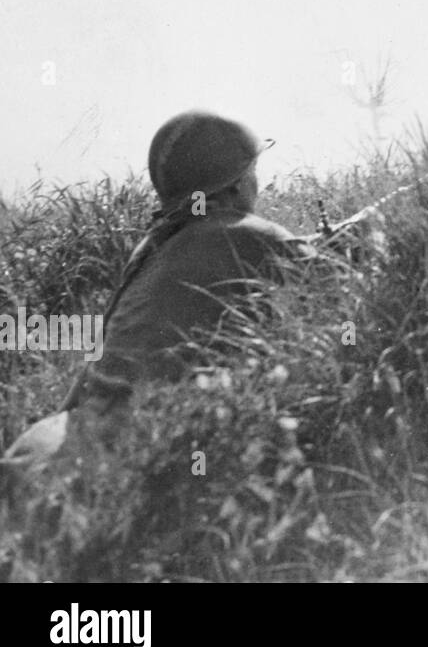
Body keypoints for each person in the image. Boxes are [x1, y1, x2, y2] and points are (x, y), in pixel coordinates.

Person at [2, 110, 317, 472]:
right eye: (252, 173)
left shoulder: (150, 247)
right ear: (235, 184)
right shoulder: (249, 233)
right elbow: (333, 284)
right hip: (135, 441)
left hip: (61, 436)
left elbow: (96, 355)